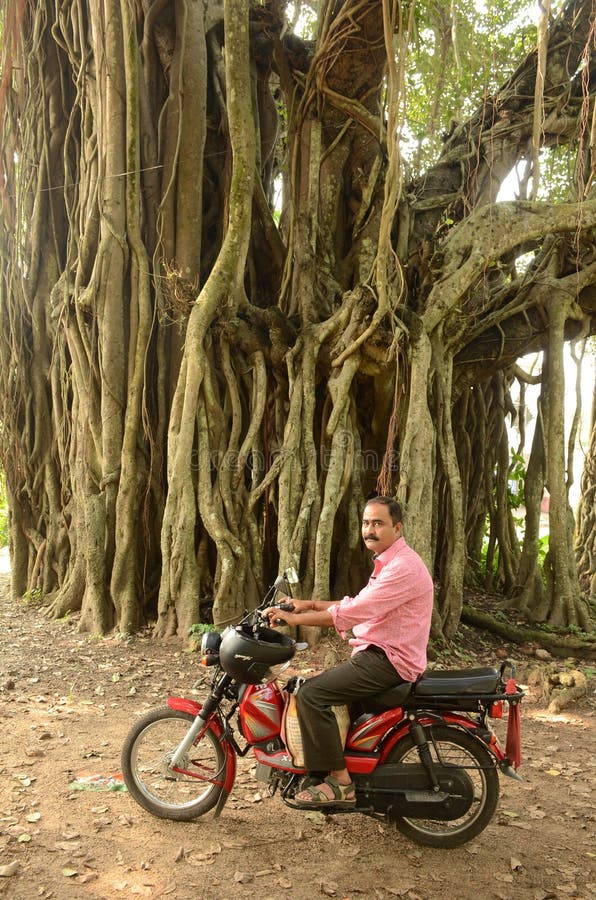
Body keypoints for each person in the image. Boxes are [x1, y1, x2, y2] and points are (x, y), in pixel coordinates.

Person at [265, 495, 433, 809]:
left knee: (313, 694)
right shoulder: (389, 562)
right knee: (321, 691)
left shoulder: (402, 567)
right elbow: (357, 604)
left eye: (379, 523)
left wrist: (296, 618)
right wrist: (310, 603)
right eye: (366, 523)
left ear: (397, 528)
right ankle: (320, 771)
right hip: (377, 654)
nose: (370, 529)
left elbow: (353, 612)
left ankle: (340, 784)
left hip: (388, 660)